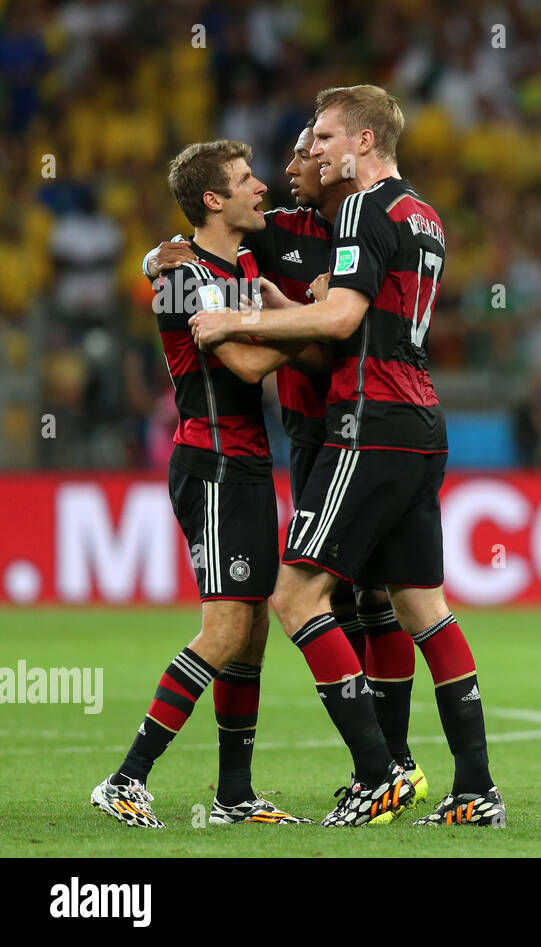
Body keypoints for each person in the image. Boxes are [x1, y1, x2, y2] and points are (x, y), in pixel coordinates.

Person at [191, 85, 503, 827]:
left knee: (296, 597)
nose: (314, 149)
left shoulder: (364, 207)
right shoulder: (423, 215)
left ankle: (380, 773)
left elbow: (341, 315)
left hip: (371, 421)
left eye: (327, 136)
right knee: (423, 604)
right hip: (423, 422)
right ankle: (475, 788)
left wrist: (238, 317)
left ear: (364, 142)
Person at [145, 124, 430, 805]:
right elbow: (184, 255)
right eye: (299, 151)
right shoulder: (268, 238)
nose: (288, 168)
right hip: (297, 439)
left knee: (368, 597)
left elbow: (321, 334)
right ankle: (374, 772)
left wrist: (305, 319)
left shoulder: (373, 223)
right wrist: (159, 258)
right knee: (288, 609)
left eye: (310, 151)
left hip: (358, 430)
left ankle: (392, 764)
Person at [91, 140, 310, 827]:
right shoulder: (182, 275)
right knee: (223, 628)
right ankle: (126, 778)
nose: (260, 186)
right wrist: (310, 327)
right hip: (211, 461)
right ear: (213, 200)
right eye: (246, 179)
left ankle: (234, 796)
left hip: (246, 464)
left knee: (250, 632)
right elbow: (246, 367)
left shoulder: (239, 261)